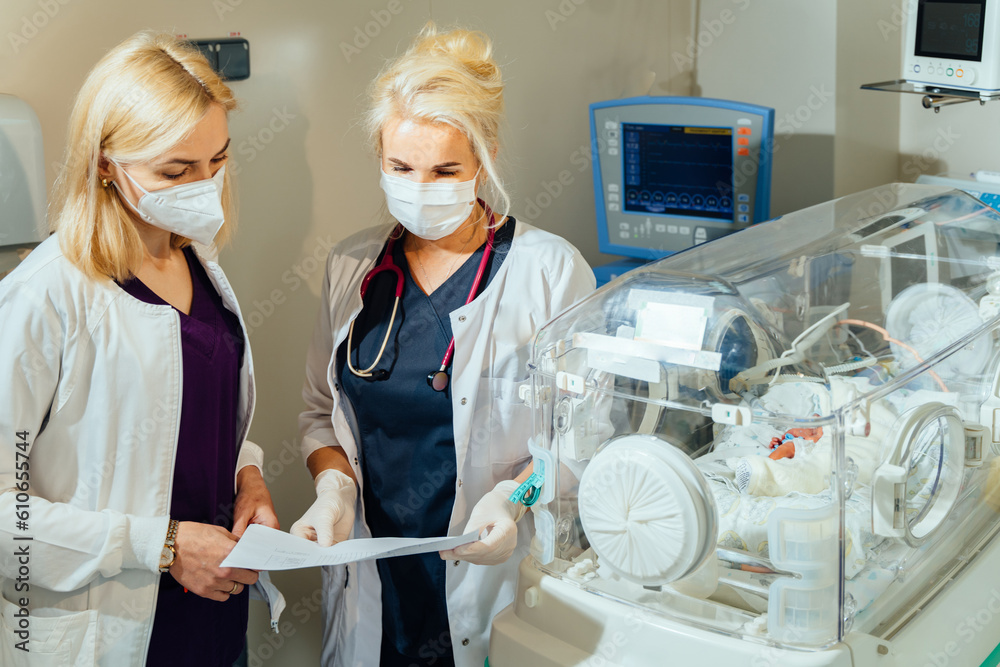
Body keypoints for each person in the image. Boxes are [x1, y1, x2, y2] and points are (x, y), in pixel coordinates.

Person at [291, 22, 595, 667]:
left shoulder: (549, 272)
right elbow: (320, 414)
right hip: (371, 578)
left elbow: (581, 440)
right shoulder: (352, 266)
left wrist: (516, 498)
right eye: (401, 167)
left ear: (483, 160)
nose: (421, 186)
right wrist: (333, 492)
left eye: (445, 169)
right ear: (378, 157)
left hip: (492, 576)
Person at [0, 32, 281, 666]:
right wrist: (164, 545)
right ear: (104, 162)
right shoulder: (46, 297)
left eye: (218, 161)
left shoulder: (197, 265)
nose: (204, 187)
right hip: (104, 636)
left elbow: (195, 418)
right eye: (175, 171)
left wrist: (248, 475)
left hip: (213, 624)